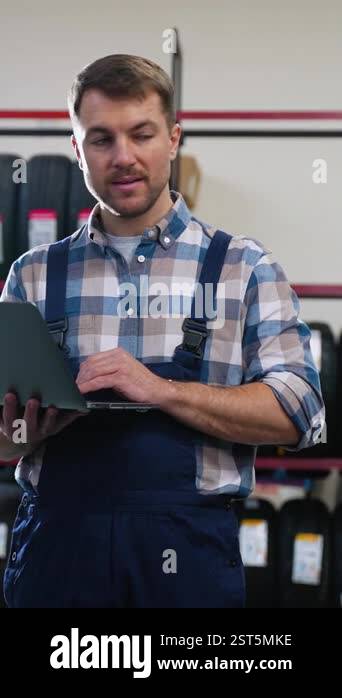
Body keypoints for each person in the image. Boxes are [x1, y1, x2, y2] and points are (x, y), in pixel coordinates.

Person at [0, 54, 325, 608]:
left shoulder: (242, 267)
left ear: (174, 139)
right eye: (100, 139)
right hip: (59, 557)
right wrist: (29, 431)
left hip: (187, 562)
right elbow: (5, 441)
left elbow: (298, 412)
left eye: (141, 134)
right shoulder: (33, 274)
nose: (123, 157)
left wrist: (160, 391)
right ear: (77, 151)